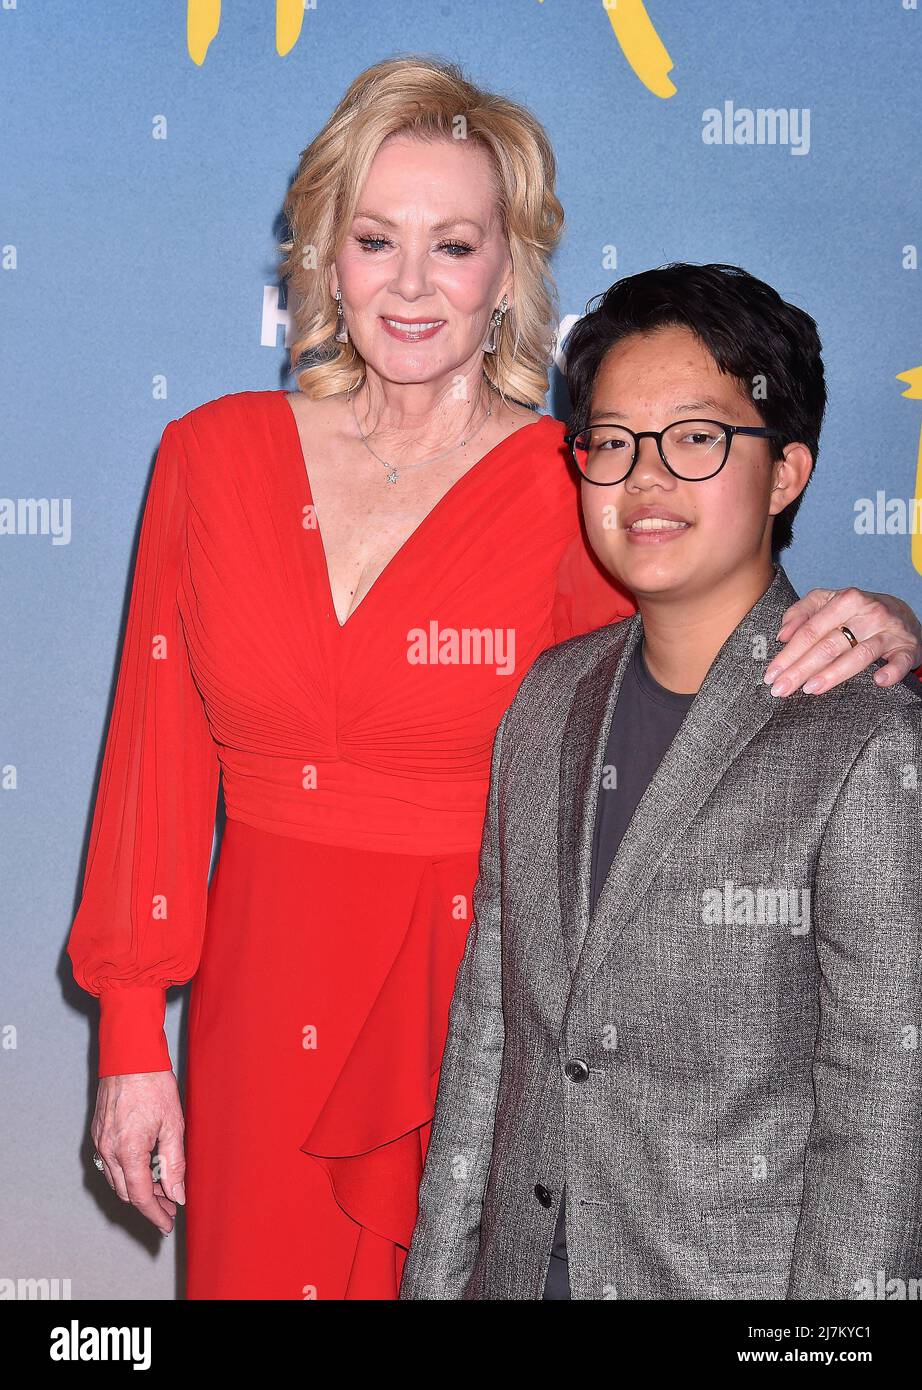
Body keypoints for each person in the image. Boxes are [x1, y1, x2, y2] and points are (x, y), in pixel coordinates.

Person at [66, 53, 922, 1301]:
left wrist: (889, 620)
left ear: (508, 273)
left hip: (483, 1025)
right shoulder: (208, 457)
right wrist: (134, 1038)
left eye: (455, 245)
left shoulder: (571, 482)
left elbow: (704, 648)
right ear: (322, 258)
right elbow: (155, 759)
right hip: (262, 1020)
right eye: (374, 239)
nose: (412, 284)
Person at [399, 263, 922, 1300]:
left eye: (696, 438)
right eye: (611, 442)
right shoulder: (546, 701)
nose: (646, 477)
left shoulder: (863, 737)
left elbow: (886, 1110)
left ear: (784, 473)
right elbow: (489, 1036)